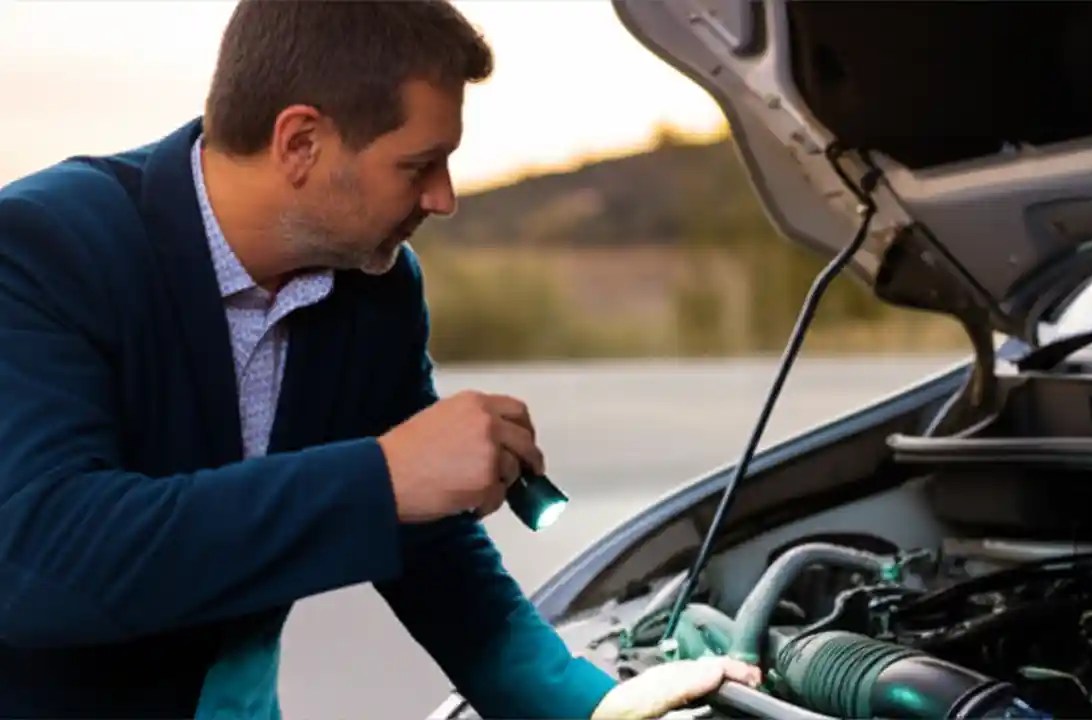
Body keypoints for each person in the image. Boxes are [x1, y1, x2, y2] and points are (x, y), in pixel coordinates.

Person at [0, 1, 760, 718]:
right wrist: (385, 475)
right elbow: (39, 558)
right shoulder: (43, 249)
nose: (444, 198)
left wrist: (585, 705)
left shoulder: (376, 291)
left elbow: (432, 548)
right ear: (301, 142)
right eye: (419, 164)